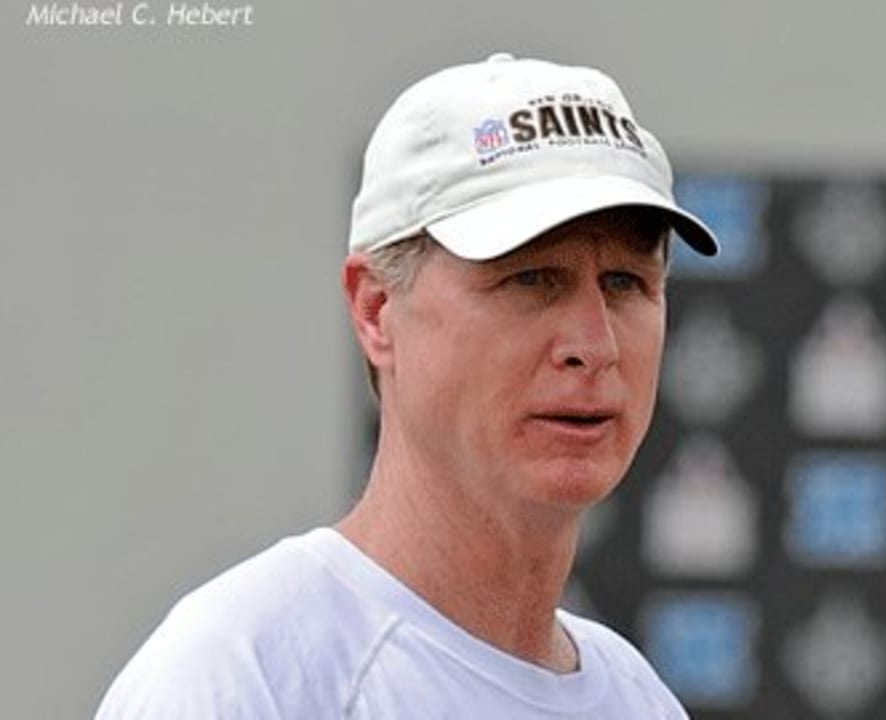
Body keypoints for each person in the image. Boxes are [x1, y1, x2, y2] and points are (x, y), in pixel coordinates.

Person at [95, 53, 718, 718]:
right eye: (531, 279)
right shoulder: (248, 675)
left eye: (626, 282)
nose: (594, 346)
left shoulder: (638, 699)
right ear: (376, 309)